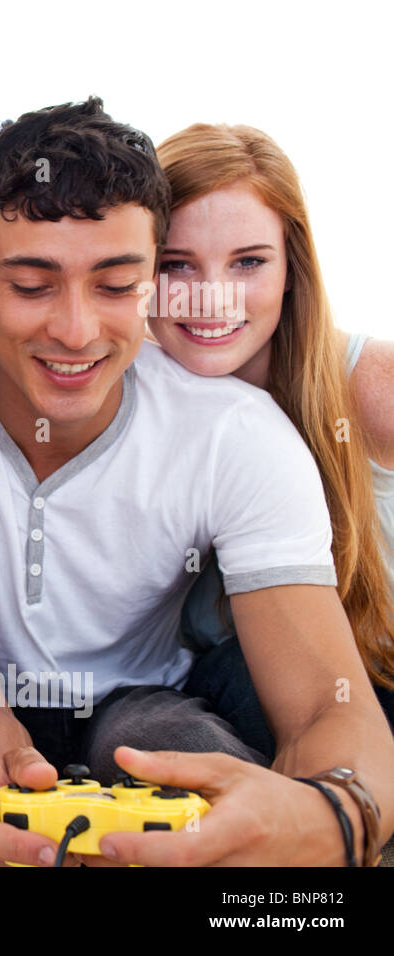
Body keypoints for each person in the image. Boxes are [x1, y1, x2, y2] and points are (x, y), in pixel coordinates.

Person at [0, 98, 394, 866]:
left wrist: (330, 817)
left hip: (142, 707)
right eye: (33, 284)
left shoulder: (235, 433)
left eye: (116, 284)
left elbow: (326, 706)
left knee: (182, 762)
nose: (75, 331)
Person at [147, 123, 394, 749]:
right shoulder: (122, 390)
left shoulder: (371, 386)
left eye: (249, 262)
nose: (211, 297)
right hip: (244, 695)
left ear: (292, 269)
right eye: (177, 264)